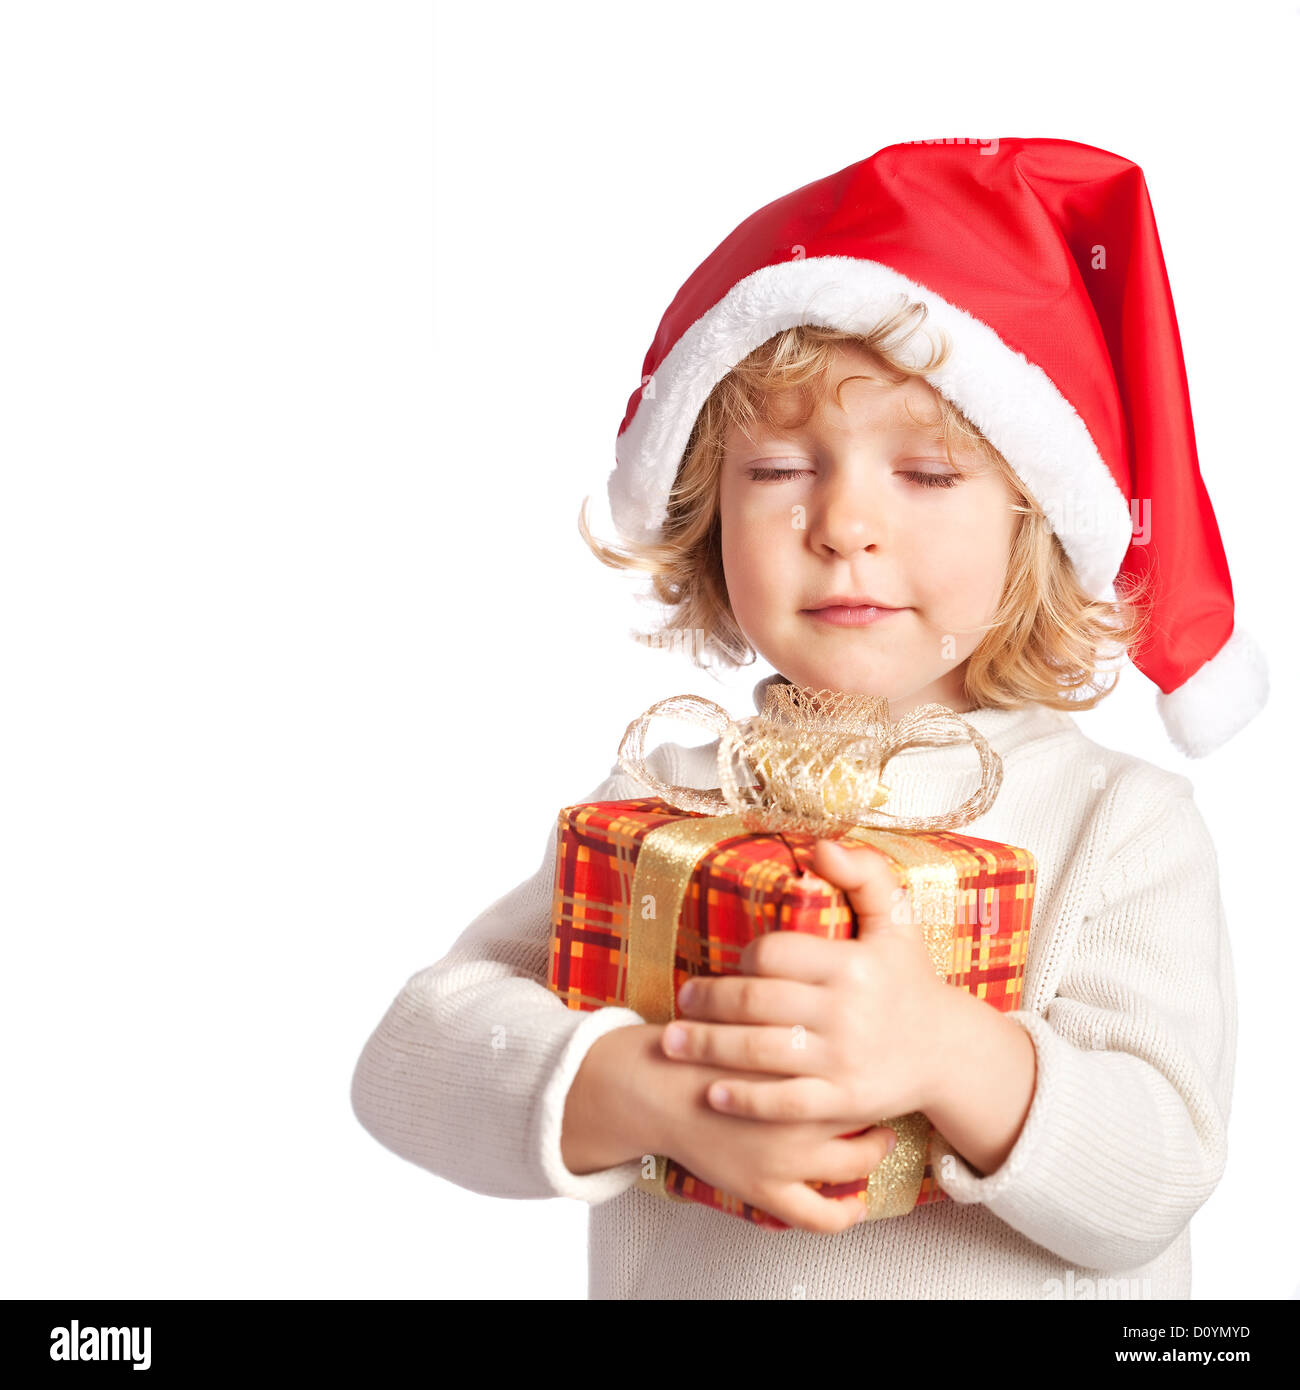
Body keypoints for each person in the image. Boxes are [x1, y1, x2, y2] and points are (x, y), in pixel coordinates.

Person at [350, 138, 1268, 1299]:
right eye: (780, 467)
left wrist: (942, 1052)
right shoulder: (671, 795)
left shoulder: (1118, 828)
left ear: (1036, 518)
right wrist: (642, 1095)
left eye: (927, 474)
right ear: (705, 506)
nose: (843, 524)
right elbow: (408, 1062)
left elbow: (1157, 1180)